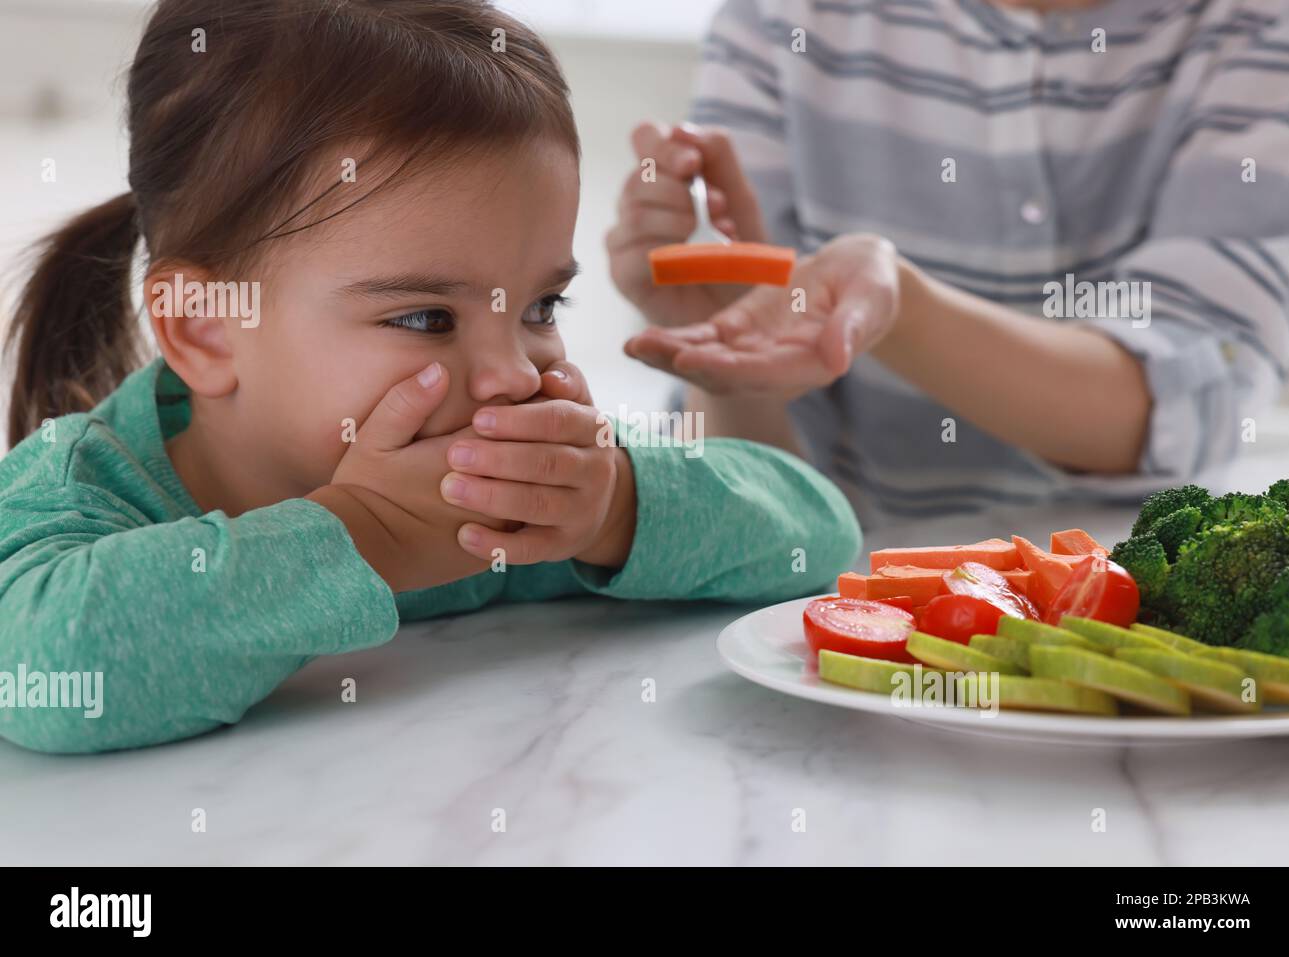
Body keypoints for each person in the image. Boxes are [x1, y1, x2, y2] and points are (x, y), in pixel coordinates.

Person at [0, 0, 861, 754]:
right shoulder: (84, 495)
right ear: (208, 327)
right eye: (424, 319)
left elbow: (818, 534)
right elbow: (44, 673)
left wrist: (611, 508)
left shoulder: (512, 495)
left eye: (540, 307)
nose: (511, 375)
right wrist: (363, 534)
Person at [610, 0, 1289, 527]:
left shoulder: (1262, 22)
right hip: (834, 600)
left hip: (1142, 613)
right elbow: (761, 504)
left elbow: (1195, 393)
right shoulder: (782, 18)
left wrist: (901, 309)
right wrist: (728, 349)